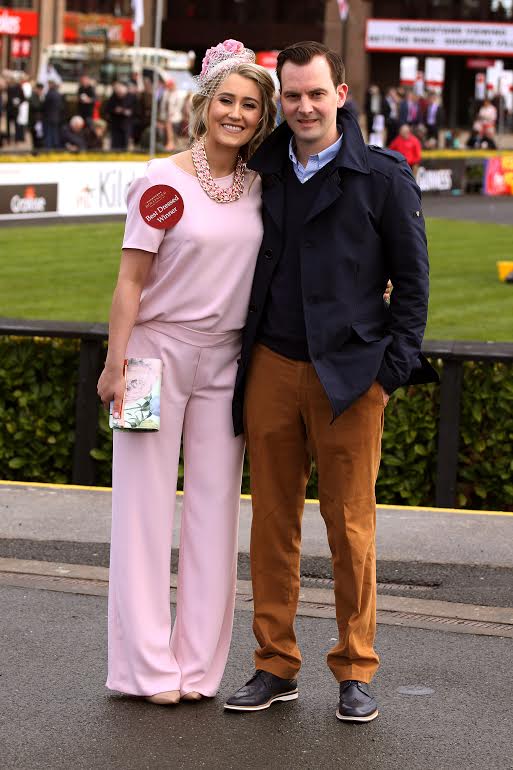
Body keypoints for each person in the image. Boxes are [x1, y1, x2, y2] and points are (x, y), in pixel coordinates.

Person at [225, 41, 437, 721]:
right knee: (271, 526)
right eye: (291, 96)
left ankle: (354, 668)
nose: (303, 106)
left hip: (350, 376)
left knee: (350, 529)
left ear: (340, 94)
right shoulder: (260, 170)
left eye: (315, 93)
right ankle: (273, 664)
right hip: (270, 366)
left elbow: (412, 284)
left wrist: (389, 374)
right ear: (279, 100)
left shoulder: (382, 175)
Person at [97, 40, 276, 706]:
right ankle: (145, 669)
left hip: (226, 361)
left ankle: (197, 669)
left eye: (249, 105)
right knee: (142, 511)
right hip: (152, 356)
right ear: (204, 104)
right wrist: (116, 366)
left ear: (261, 118)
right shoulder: (160, 180)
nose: (235, 113)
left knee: (213, 514)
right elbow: (129, 280)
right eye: (226, 100)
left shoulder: (262, 188)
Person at [43, 80, 64, 149]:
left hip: (49, 117)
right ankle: (56, 147)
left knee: (49, 134)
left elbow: (45, 106)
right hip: (56, 117)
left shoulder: (49, 94)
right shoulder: (58, 94)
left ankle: (48, 148)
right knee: (55, 134)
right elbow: (61, 107)